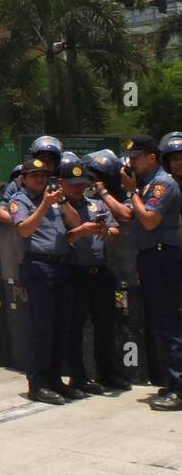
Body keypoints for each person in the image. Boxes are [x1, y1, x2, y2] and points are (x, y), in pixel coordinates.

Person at [6, 155, 78, 405]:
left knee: (61, 327)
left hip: (62, 265)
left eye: (44, 176)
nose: (40, 179)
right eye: (35, 176)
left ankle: (55, 378)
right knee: (42, 328)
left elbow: (75, 224)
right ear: (24, 179)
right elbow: (24, 229)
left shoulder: (56, 200)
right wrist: (45, 205)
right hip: (39, 266)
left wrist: (62, 201)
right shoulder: (20, 200)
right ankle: (38, 383)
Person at [59, 155, 130, 395]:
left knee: (105, 325)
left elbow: (116, 229)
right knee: (75, 327)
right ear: (61, 184)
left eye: (81, 184)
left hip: (100, 271)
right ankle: (78, 377)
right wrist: (79, 232)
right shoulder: (57, 207)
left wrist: (106, 231)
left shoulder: (95, 205)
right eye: (73, 184)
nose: (78, 189)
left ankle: (107, 373)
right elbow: (59, 239)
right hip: (74, 272)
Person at [121, 136, 182, 410]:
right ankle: (173, 380)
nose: (132, 163)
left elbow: (149, 220)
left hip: (162, 257)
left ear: (151, 157)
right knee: (162, 322)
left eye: (136, 158)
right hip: (151, 256)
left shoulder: (162, 184)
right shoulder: (149, 185)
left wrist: (132, 192)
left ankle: (179, 388)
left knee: (170, 324)